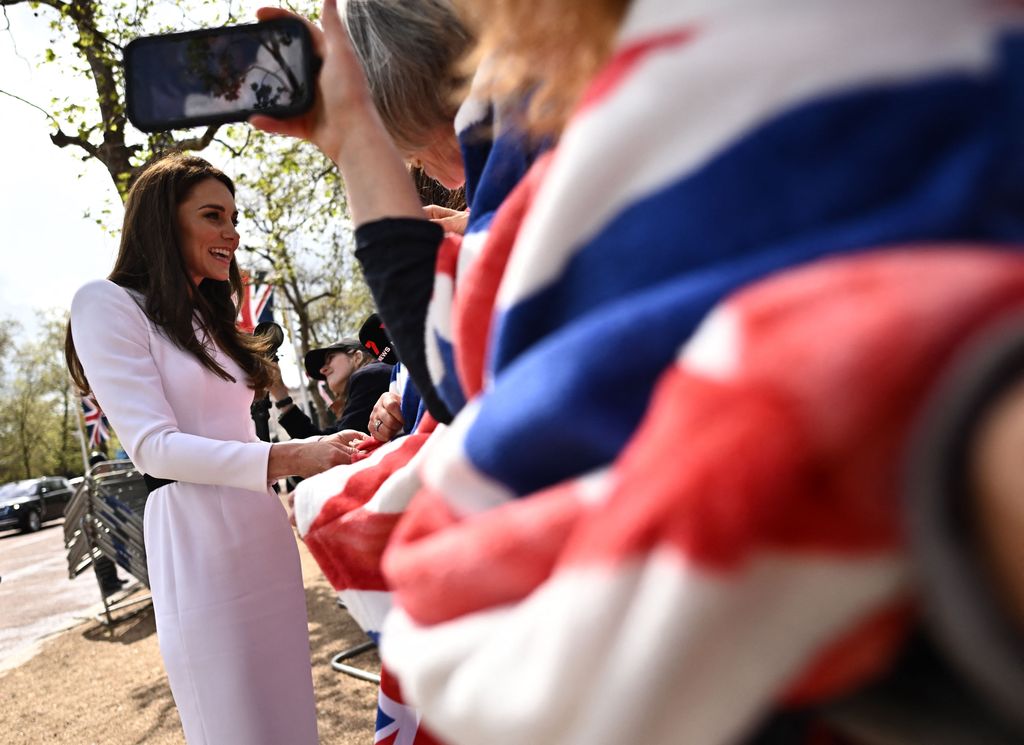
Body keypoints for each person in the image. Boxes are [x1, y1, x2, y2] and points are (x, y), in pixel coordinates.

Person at [65, 152, 353, 745]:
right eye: (213, 216)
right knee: (235, 728)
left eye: (235, 218)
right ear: (163, 225)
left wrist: (320, 448)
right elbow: (152, 447)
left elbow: (241, 434)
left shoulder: (210, 320)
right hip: (195, 536)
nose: (232, 234)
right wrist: (294, 458)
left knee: (291, 723)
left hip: (260, 533)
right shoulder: (107, 304)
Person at [270, 338, 392, 436]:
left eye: (330, 358)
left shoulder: (368, 376)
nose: (323, 370)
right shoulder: (366, 383)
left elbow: (338, 447)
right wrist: (281, 395)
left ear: (357, 357)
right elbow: (325, 442)